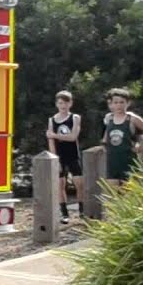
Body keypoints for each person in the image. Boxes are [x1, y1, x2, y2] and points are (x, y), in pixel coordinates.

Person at [100, 87, 143, 189]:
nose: (119, 105)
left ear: (128, 103)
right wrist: (104, 142)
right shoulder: (109, 118)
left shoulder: (132, 118)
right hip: (112, 159)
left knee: (127, 191)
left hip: (128, 159)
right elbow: (107, 133)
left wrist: (141, 146)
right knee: (112, 190)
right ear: (111, 104)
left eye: (122, 102)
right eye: (116, 102)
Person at [45, 90, 83, 224]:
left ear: (70, 103)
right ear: (57, 104)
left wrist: (55, 135)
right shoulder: (52, 120)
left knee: (79, 183)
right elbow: (50, 141)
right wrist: (55, 159)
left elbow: (73, 137)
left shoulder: (75, 118)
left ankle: (82, 211)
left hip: (73, 155)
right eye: (60, 103)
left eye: (66, 103)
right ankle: (64, 214)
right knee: (60, 185)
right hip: (59, 155)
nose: (63, 106)